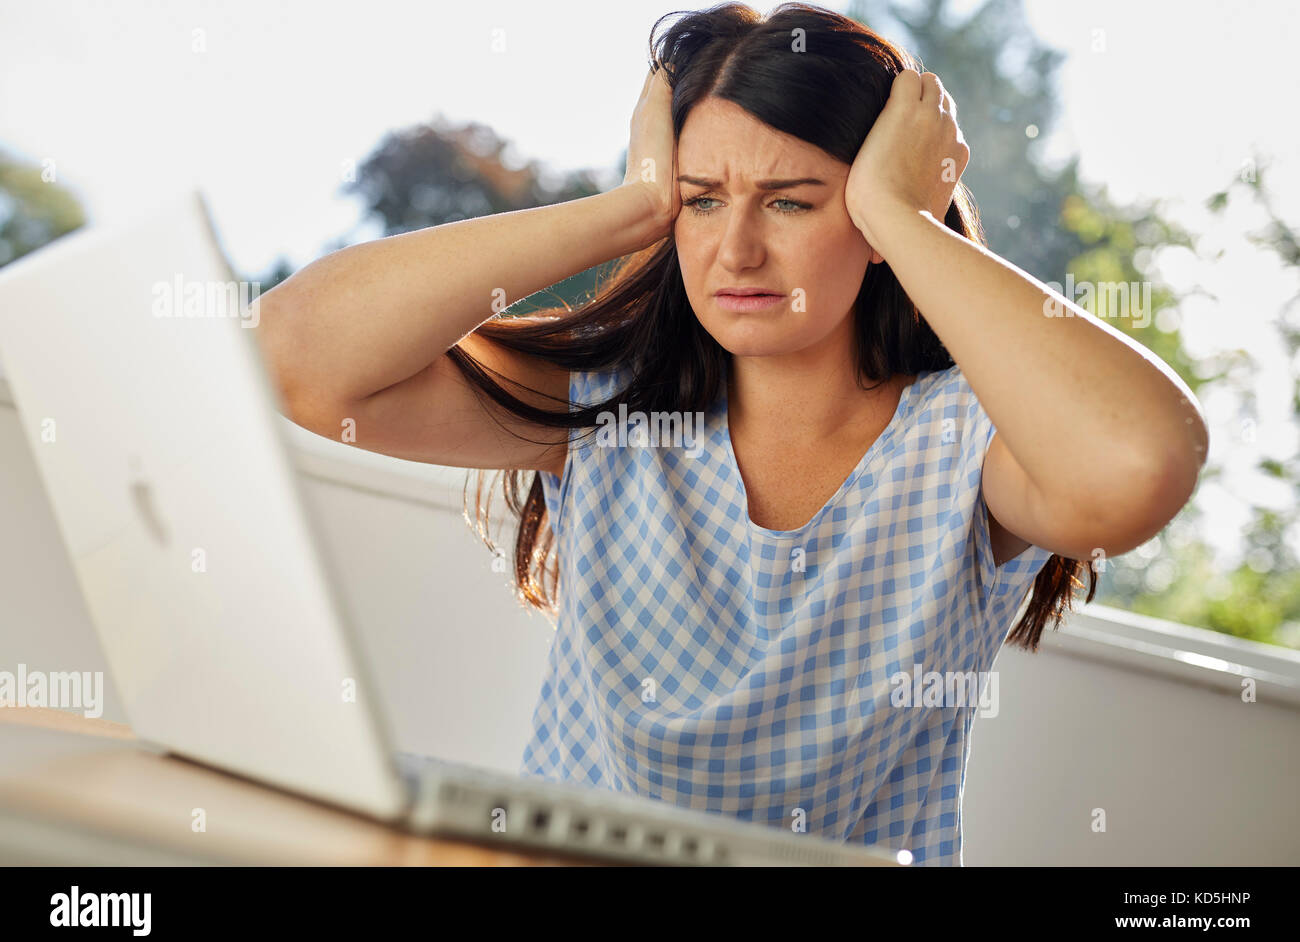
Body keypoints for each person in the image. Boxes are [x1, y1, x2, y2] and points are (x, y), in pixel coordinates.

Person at [254, 2, 1207, 865]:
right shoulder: (607, 408)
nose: (736, 250)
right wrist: (632, 207)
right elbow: (298, 359)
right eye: (703, 199)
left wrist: (901, 218)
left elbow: (1140, 462)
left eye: (792, 200)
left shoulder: (964, 447)